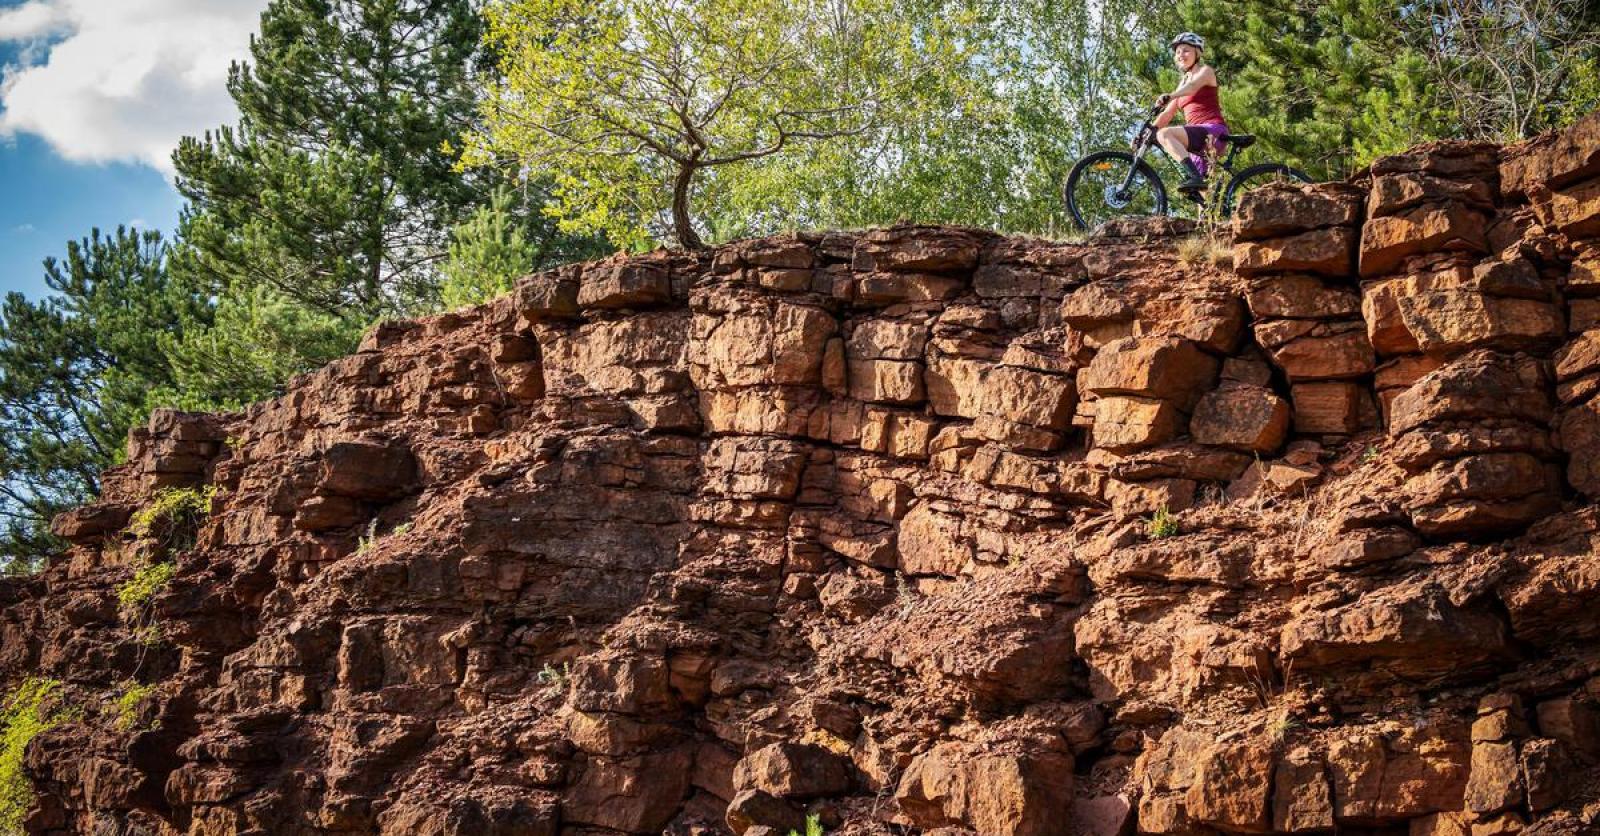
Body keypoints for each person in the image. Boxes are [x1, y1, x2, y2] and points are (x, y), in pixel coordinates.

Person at [1151, 32, 1228, 199]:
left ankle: (1193, 176)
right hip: (1198, 143)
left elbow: (1193, 87)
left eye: (1186, 50)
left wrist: (1170, 95)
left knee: (1164, 134)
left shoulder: (1206, 71)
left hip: (1213, 131)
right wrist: (1148, 131)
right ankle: (1208, 224)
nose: (1181, 55)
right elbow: (1168, 113)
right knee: (1204, 197)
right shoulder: (1182, 83)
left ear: (1197, 53)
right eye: (1177, 52)